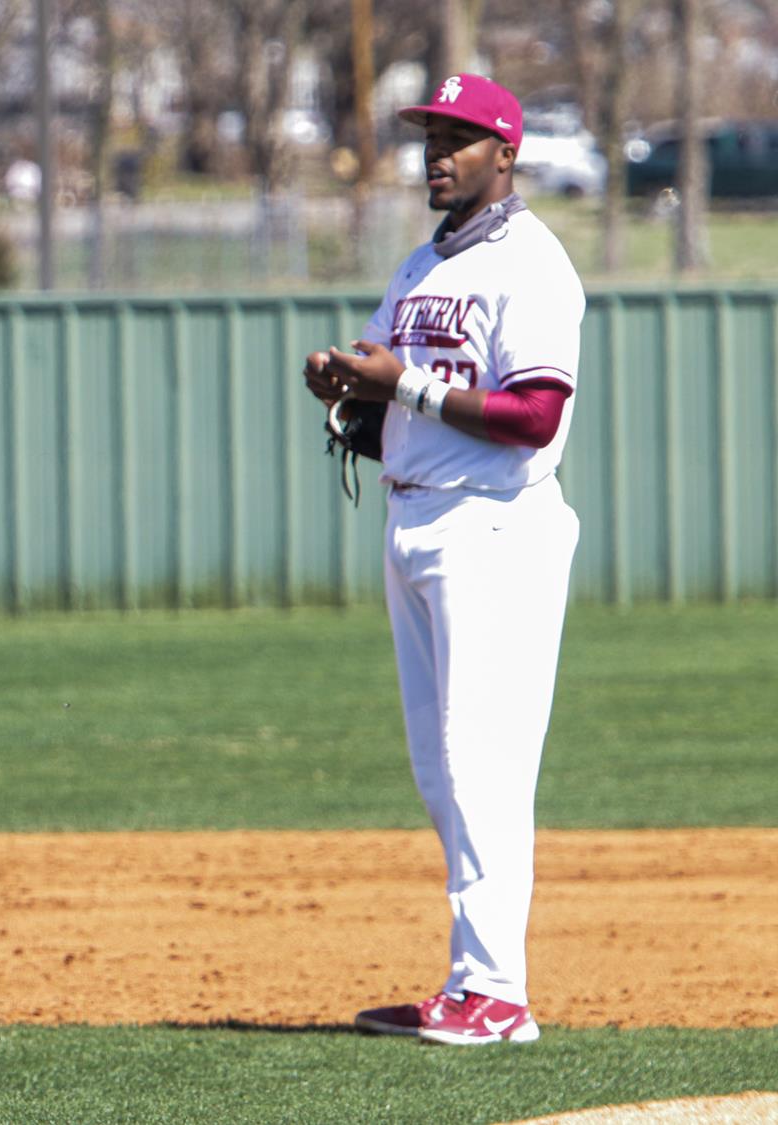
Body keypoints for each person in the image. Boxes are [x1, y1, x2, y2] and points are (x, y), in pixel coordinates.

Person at [302, 73, 583, 1046]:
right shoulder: (418, 267)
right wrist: (343, 392)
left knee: (480, 767)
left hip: (494, 531)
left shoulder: (531, 266)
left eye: (459, 137)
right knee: (439, 770)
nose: (435, 151)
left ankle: (496, 996)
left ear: (503, 156)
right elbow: (393, 427)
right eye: (430, 133)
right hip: (416, 522)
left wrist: (403, 388)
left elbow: (533, 415)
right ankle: (471, 984)